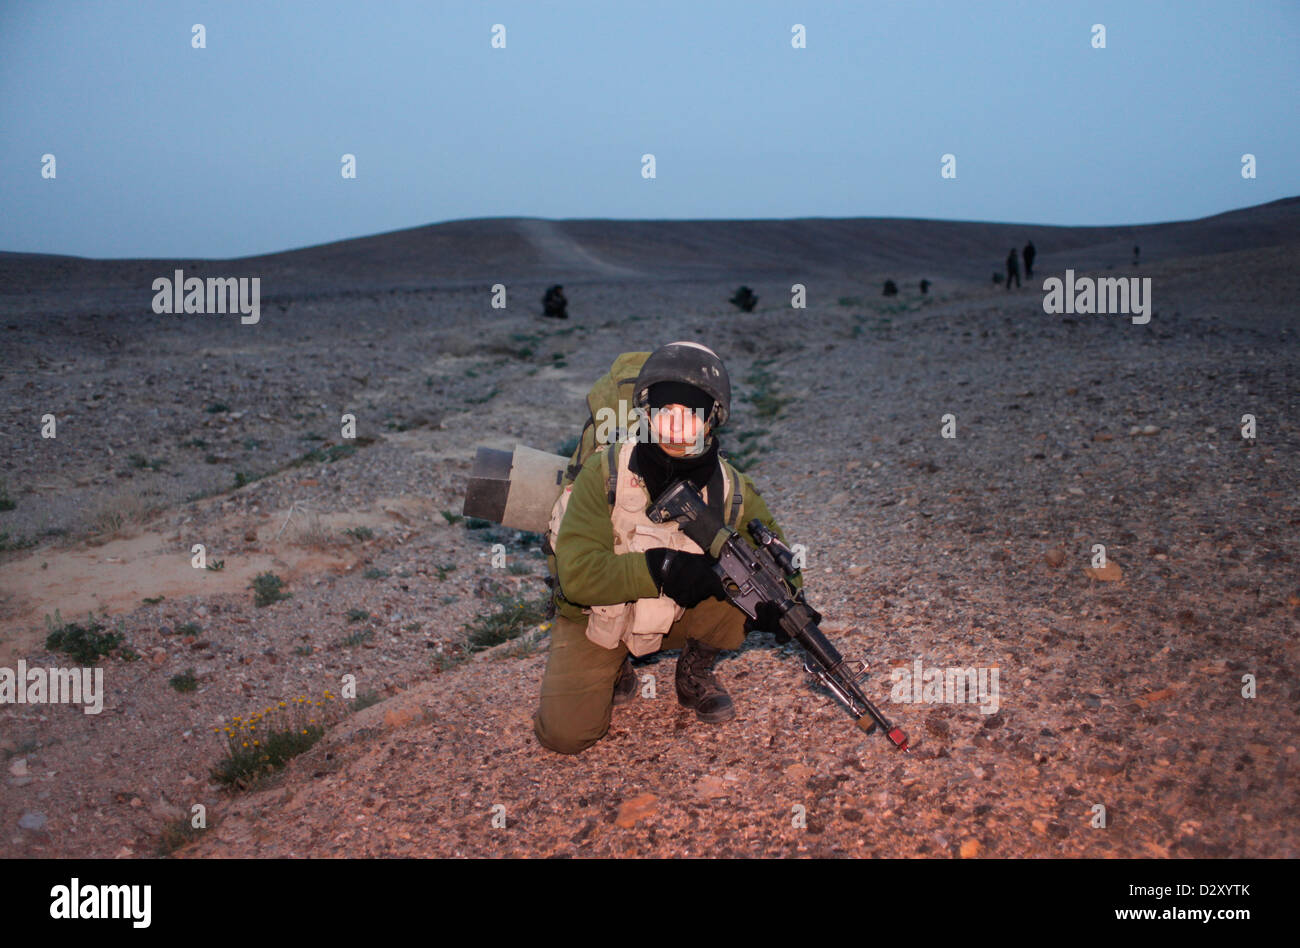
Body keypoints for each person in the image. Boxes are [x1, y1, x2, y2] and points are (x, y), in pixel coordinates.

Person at [533, 342, 797, 755]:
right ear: (646, 414)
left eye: (688, 414)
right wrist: (663, 568)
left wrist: (779, 610)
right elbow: (578, 576)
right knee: (565, 737)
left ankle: (695, 669)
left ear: (711, 420)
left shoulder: (732, 489)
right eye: (663, 412)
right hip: (598, 615)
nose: (674, 426)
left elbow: (784, 570)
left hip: (677, 616)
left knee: (745, 573)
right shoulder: (605, 473)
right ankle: (616, 668)